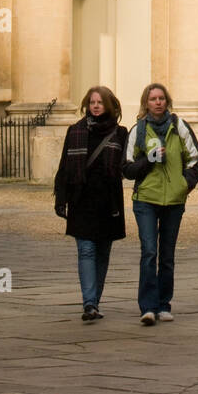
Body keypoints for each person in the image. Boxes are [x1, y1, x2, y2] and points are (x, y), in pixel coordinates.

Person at [123, 83, 198, 326]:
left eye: (161, 98)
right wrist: (148, 161)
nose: (157, 102)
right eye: (153, 99)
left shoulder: (179, 127)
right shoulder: (138, 130)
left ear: (166, 101)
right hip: (146, 199)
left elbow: (196, 159)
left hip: (174, 200)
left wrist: (184, 184)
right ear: (146, 103)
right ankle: (147, 306)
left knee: (167, 254)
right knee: (149, 252)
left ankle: (164, 303)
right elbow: (126, 168)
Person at [53, 86, 128, 322]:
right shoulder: (75, 130)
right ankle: (88, 303)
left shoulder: (120, 132)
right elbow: (65, 166)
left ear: (109, 105)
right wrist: (61, 197)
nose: (95, 106)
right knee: (86, 250)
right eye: (92, 102)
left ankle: (94, 301)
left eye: (100, 102)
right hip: (81, 198)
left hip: (108, 200)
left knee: (103, 253)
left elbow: (125, 167)